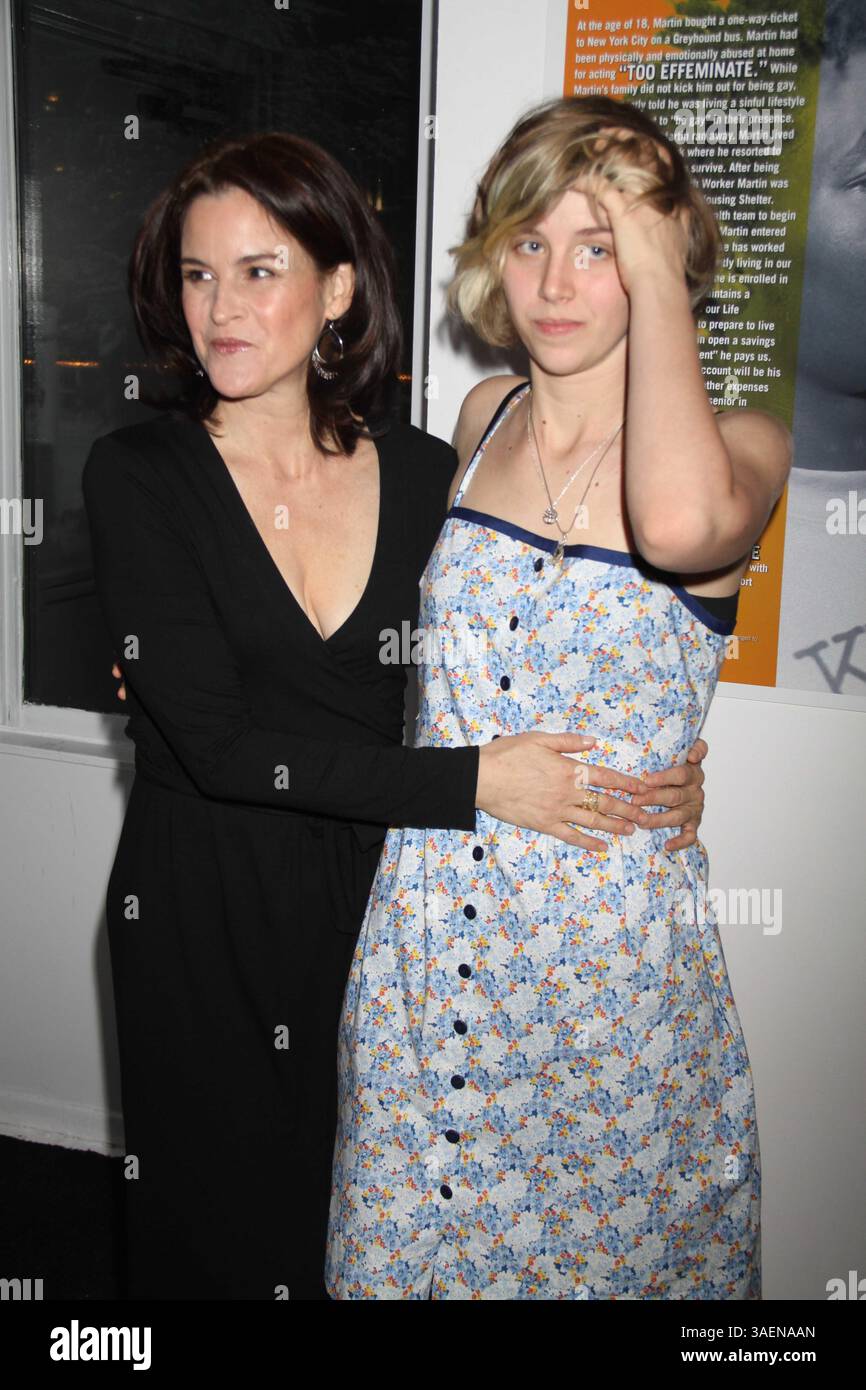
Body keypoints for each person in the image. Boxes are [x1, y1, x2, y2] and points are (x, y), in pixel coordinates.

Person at [82, 129, 710, 1300]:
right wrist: (475, 781)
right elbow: (219, 746)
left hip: (396, 915)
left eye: (259, 270)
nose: (220, 307)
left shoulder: (434, 472)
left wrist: (662, 758)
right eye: (196, 273)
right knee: (207, 1230)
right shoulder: (137, 474)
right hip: (200, 902)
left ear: (335, 290)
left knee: (372, 1227)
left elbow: (509, 664)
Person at [325, 96, 792, 1300]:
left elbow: (679, 526)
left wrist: (655, 250)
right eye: (527, 239)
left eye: (599, 244)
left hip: (607, 973)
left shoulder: (744, 445)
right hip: (428, 940)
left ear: (664, 254)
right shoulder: (479, 422)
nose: (555, 280)